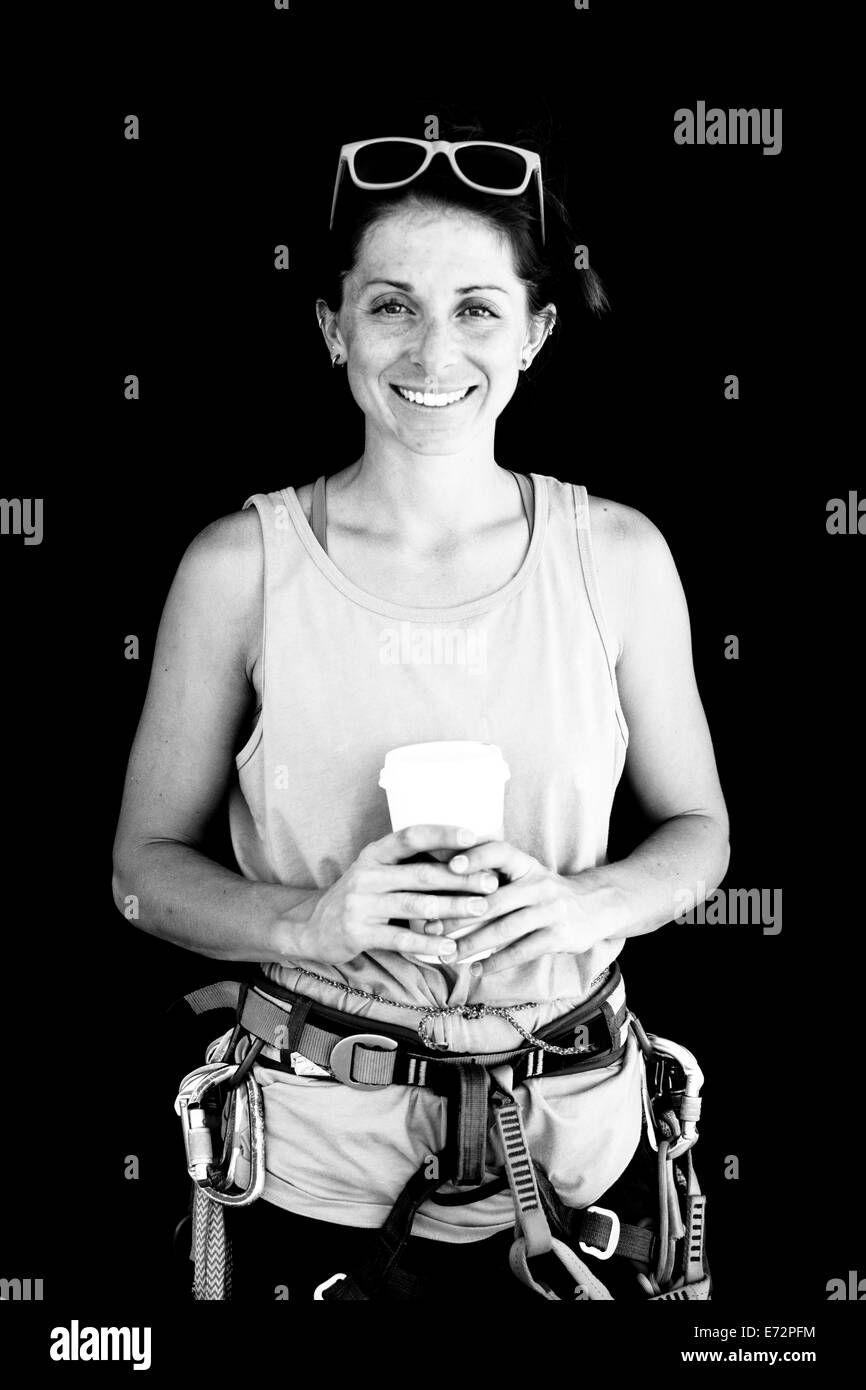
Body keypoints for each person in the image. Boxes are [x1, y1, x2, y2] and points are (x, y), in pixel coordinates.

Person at [112, 130, 730, 1301]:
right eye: (390, 305)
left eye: (477, 309)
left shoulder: (619, 557)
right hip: (306, 1178)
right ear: (333, 328)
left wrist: (584, 901)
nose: (432, 349)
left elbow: (701, 829)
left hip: (575, 1171)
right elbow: (139, 872)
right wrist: (308, 921)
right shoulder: (238, 566)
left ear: (536, 335)